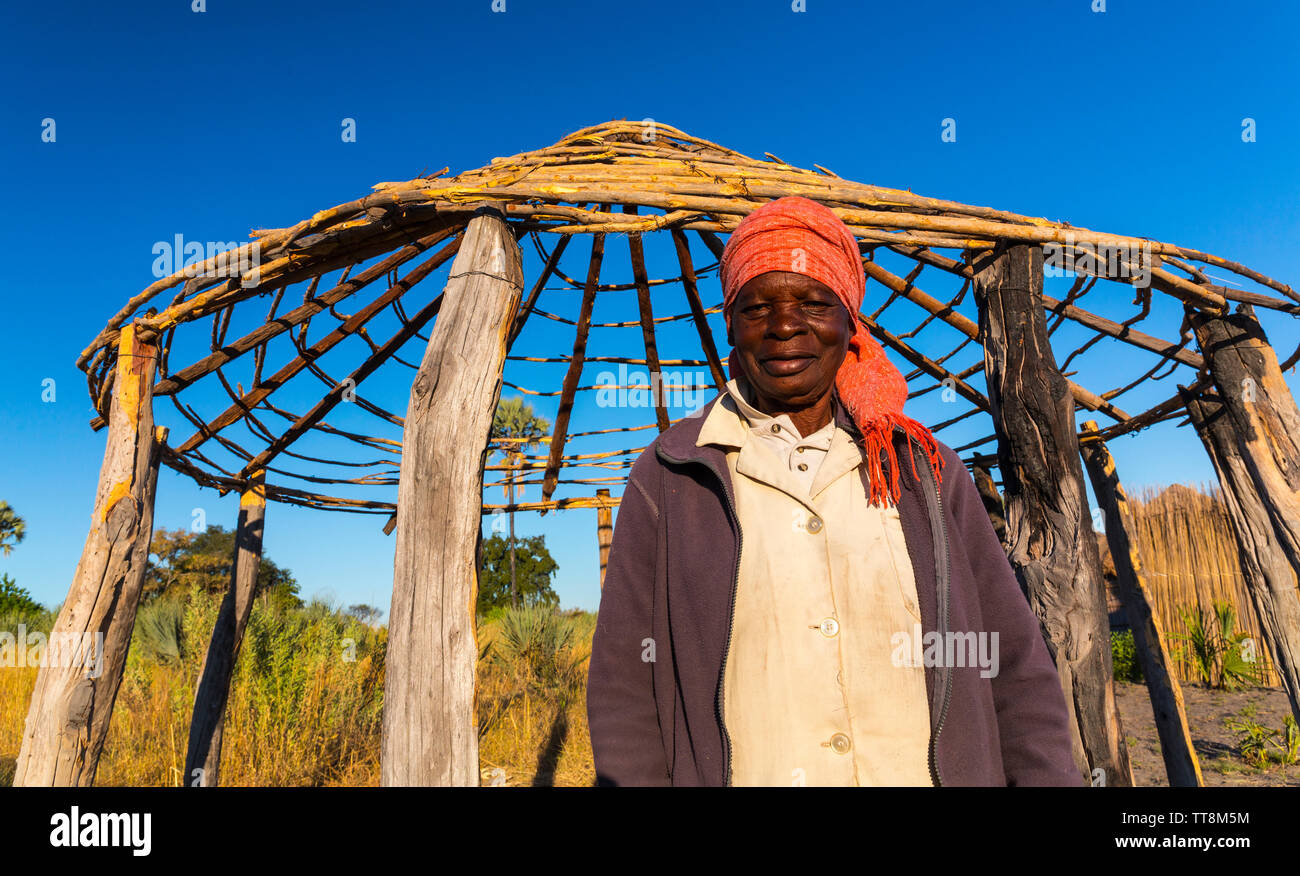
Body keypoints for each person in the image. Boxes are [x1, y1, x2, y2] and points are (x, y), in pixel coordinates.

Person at [586, 195, 1081, 786]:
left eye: (813, 303)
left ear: (850, 322)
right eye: (756, 307)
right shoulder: (670, 477)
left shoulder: (922, 470)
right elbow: (624, 688)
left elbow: (1013, 666)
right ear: (731, 327)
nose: (784, 326)